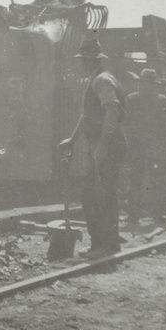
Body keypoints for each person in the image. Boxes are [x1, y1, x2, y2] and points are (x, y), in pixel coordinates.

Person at [59, 38, 127, 260]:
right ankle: (105, 244)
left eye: (83, 60)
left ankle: (105, 245)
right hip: (104, 145)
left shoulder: (101, 81)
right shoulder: (97, 79)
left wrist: (102, 146)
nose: (81, 64)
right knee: (95, 195)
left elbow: (112, 112)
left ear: (90, 60)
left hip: (107, 145)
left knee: (98, 196)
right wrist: (73, 138)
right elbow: (88, 114)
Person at [123, 68, 166, 227]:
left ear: (153, 85)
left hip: (149, 149)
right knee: (139, 183)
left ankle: (153, 217)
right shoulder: (156, 101)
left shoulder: (135, 99)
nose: (142, 86)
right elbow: (125, 123)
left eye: (146, 84)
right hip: (145, 149)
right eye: (141, 83)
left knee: (153, 183)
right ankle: (136, 217)